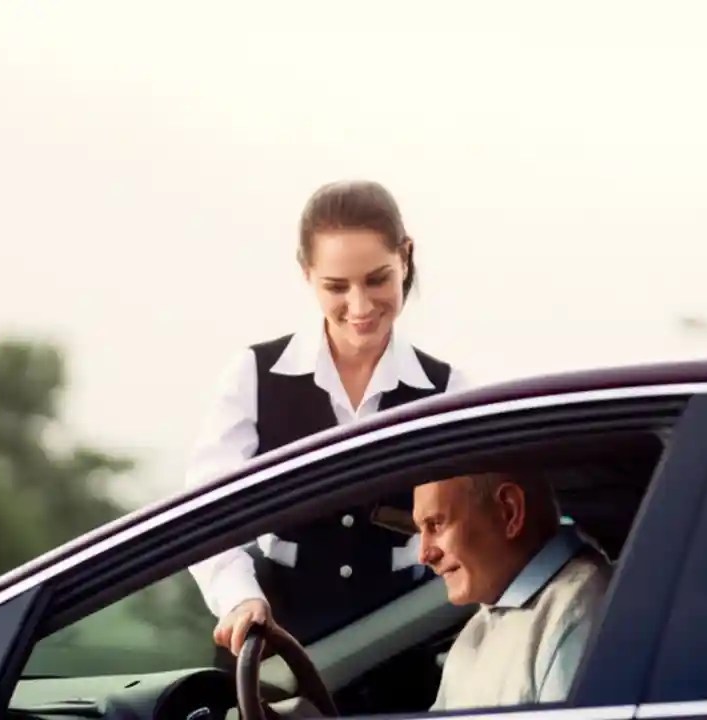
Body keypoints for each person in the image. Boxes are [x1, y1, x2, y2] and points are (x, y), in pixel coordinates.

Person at [185, 179, 472, 657]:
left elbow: (473, 528)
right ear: (306, 274)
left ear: (405, 256)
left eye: (377, 279)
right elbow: (204, 512)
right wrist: (239, 598)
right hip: (273, 645)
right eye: (336, 287)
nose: (359, 306)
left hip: (403, 650)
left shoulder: (448, 388)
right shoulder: (255, 375)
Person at [412, 469, 612, 710]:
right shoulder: (482, 625)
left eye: (436, 525)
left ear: (509, 512)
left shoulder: (578, 611)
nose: (424, 554)